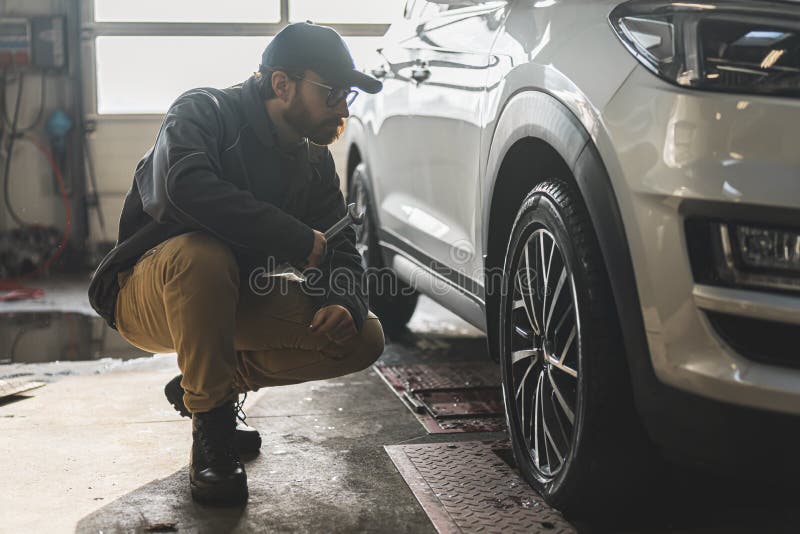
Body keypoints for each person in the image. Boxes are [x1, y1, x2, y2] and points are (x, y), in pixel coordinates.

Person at [88, 22, 386, 506]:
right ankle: (213, 434)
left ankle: (209, 386)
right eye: (331, 92)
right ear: (282, 84)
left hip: (227, 298)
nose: (343, 108)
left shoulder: (313, 161)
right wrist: (293, 238)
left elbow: (341, 248)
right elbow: (183, 189)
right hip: (145, 293)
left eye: (346, 95)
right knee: (202, 254)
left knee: (363, 335)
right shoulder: (203, 111)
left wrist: (340, 300)